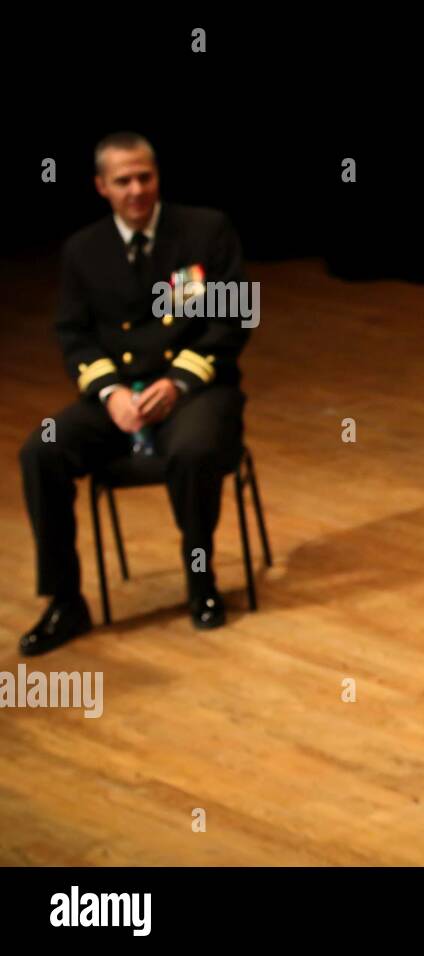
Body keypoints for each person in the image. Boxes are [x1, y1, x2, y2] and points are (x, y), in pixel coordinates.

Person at [18, 131, 251, 654]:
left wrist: (179, 381)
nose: (137, 189)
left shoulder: (205, 229)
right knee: (41, 450)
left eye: (145, 176)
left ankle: (201, 579)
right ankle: (64, 600)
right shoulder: (83, 249)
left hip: (197, 388)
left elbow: (236, 317)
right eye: (123, 180)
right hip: (120, 395)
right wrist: (109, 393)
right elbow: (73, 334)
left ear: (157, 176)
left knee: (192, 450)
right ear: (102, 186)